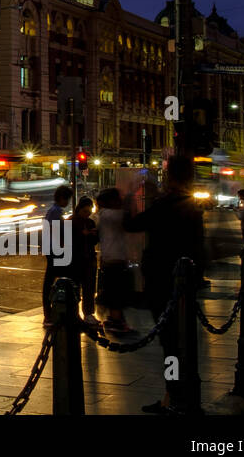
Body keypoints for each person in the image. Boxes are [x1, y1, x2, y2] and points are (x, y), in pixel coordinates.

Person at [125, 154, 205, 413]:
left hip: (161, 281)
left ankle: (173, 396)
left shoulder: (165, 204)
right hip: (184, 281)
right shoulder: (192, 206)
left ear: (169, 177)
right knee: (184, 341)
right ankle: (182, 395)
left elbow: (133, 224)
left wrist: (130, 197)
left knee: (170, 344)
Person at [95, 188, 133, 333]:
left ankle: (114, 317)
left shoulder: (103, 214)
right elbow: (128, 220)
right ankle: (116, 320)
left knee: (112, 288)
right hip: (115, 258)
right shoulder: (111, 214)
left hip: (108, 257)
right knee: (116, 290)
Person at [42, 185, 74, 324]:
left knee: (51, 280)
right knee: (53, 281)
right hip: (55, 250)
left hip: (51, 249)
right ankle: (49, 313)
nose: (67, 202)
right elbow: (59, 231)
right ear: (62, 198)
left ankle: (51, 312)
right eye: (67, 199)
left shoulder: (53, 211)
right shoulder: (55, 212)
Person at [71, 197, 100, 326]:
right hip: (76, 259)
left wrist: (93, 235)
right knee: (76, 288)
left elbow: (94, 241)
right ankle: (75, 313)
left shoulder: (90, 222)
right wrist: (83, 235)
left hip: (88, 258)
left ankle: (88, 313)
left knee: (89, 288)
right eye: (85, 211)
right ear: (79, 209)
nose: (87, 214)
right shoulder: (72, 222)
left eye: (89, 211)